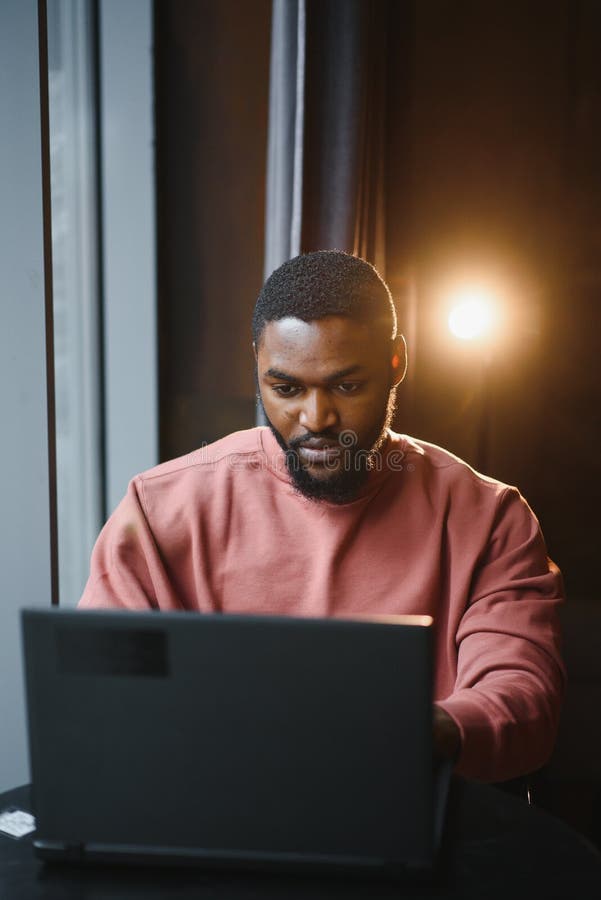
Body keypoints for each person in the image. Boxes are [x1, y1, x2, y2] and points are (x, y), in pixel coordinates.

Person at [79, 250, 565, 783]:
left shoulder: (490, 518)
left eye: (347, 386)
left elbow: (524, 698)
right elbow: (98, 695)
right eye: (286, 389)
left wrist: (410, 736)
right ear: (259, 370)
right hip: (213, 813)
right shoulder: (158, 511)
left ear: (396, 364)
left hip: (413, 815)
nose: (315, 419)